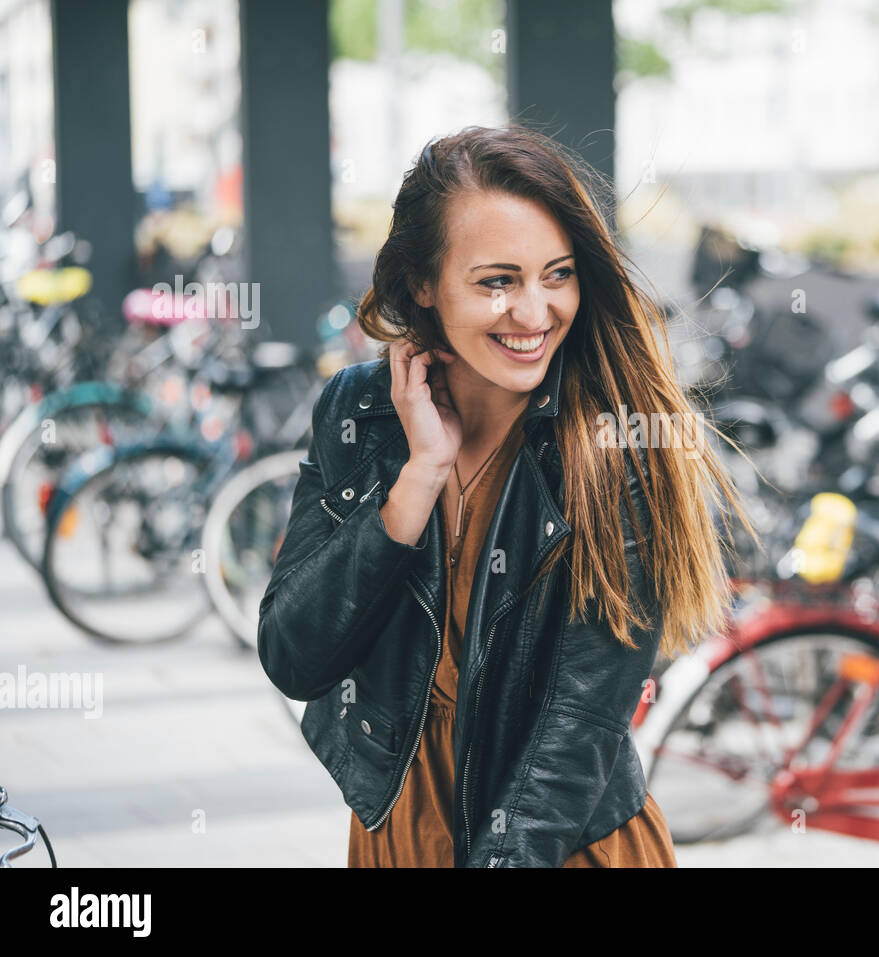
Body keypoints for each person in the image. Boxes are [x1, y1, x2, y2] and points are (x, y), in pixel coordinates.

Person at [257, 124, 756, 867]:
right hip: (394, 833)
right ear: (422, 283)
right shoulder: (360, 414)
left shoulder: (616, 446)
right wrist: (416, 479)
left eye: (557, 274)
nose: (534, 312)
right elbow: (295, 654)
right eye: (498, 281)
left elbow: (576, 727)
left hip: (551, 846)